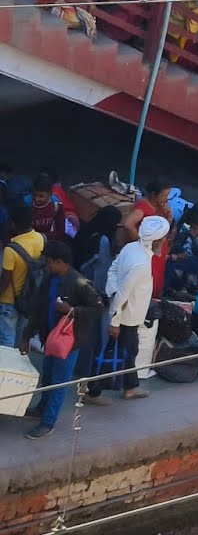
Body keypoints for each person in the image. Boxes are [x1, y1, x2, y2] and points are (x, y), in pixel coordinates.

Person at [19, 240, 103, 438]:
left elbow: (98, 308)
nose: (47, 266)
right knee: (47, 376)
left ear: (60, 262)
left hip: (68, 342)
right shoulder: (49, 279)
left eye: (50, 262)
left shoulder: (79, 283)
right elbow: (38, 308)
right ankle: (42, 408)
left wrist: (72, 311)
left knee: (58, 381)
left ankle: (48, 422)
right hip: (50, 338)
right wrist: (27, 335)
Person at [87, 215, 169, 404]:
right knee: (112, 354)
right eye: (163, 238)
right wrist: (115, 320)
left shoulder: (131, 249)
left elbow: (113, 271)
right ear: (156, 240)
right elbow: (124, 293)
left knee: (128, 353)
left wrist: (112, 292)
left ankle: (129, 387)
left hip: (128, 316)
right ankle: (93, 391)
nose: (164, 242)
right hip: (125, 318)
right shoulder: (140, 263)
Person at [1, 205, 46, 348]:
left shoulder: (11, 249)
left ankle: (5, 369)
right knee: (21, 337)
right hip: (30, 298)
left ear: (13, 224)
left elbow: (6, 280)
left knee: (6, 339)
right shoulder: (41, 238)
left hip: (9, 300)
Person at [123, 180, 172, 298]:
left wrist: (169, 218)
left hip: (158, 251)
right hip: (148, 253)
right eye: (163, 195)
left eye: (167, 195)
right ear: (153, 195)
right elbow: (128, 224)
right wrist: (142, 243)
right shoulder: (143, 207)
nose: (166, 199)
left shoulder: (162, 207)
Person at [28, 174, 66, 241]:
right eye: (34, 195)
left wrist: (40, 236)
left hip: (48, 243)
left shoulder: (57, 207)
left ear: (50, 194)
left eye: (41, 196)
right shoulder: (27, 206)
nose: (36, 199)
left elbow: (60, 232)